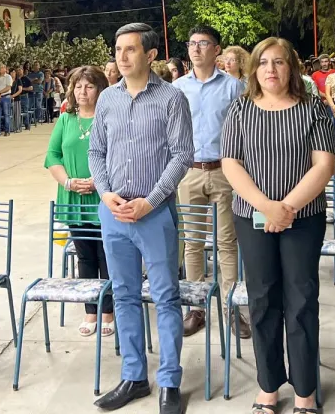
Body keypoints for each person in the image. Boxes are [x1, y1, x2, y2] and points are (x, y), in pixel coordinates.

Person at [220, 37, 335, 414]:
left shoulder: (312, 108)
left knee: (301, 301)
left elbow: (324, 165)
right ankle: (268, 387)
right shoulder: (239, 109)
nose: (271, 69)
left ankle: (304, 390)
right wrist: (265, 206)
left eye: (280, 62)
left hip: (303, 219)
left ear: (293, 67)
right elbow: (231, 163)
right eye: (264, 62)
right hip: (251, 216)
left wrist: (285, 207)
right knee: (262, 300)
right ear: (254, 69)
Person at [89, 23, 193, 414]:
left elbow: (183, 155)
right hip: (114, 212)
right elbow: (96, 151)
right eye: (118, 49)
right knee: (126, 294)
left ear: (150, 55)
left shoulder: (171, 99)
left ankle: (169, 381)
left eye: (131, 49)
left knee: (165, 296)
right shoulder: (107, 100)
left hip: (154, 213)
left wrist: (150, 202)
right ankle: (134, 376)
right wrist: (105, 193)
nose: (122, 56)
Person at [174, 26, 249, 339]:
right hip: (189, 172)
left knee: (226, 243)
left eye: (203, 43)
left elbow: (246, 129)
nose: (196, 49)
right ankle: (197, 310)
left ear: (217, 50)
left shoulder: (234, 87)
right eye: (191, 43)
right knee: (192, 243)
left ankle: (231, 310)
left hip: (225, 171)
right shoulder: (177, 88)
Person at [45, 65, 115, 337]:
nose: (82, 92)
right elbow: (52, 156)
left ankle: (108, 310)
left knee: (107, 255)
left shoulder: (109, 117)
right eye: (77, 86)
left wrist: (99, 180)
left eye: (89, 86)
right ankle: (90, 310)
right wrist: (68, 181)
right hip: (73, 196)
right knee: (84, 256)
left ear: (100, 88)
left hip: (104, 195)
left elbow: (120, 154)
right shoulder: (65, 120)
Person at [0, 64, 14, 136]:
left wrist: (0, 92)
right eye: (0, 68)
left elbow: (8, 87)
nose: (1, 69)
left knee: (6, 114)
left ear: (5, 69)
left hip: (6, 97)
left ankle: (7, 131)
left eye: (3, 67)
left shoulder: (8, 77)